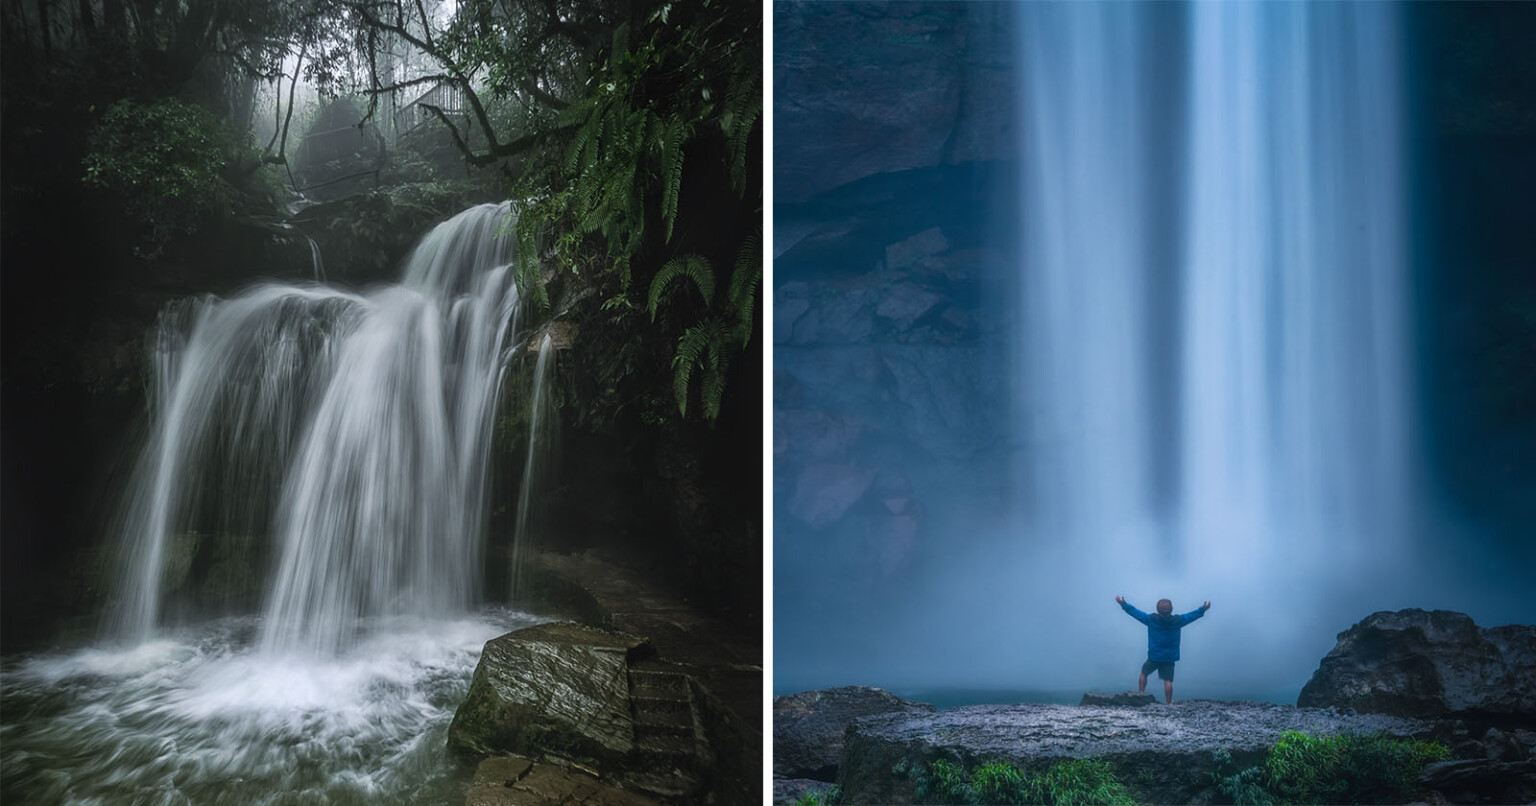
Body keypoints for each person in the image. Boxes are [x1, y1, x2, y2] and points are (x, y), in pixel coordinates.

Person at [1115, 595, 1210, 704]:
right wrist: (1203, 609)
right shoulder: (1178, 621)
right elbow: (1191, 616)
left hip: (1154, 656)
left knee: (1144, 673)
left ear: (1157, 609)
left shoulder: (1151, 620)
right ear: (1171, 609)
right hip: (1169, 657)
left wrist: (1123, 604)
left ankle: (1140, 694)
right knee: (1168, 681)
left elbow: (1135, 613)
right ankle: (1169, 703)